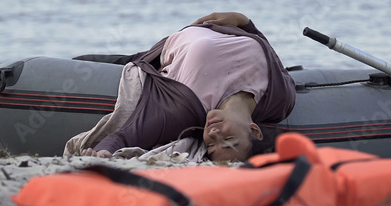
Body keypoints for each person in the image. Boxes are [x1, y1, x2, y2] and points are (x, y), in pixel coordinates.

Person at [73, 12, 296, 162]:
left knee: (80, 60)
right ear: (254, 129)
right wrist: (245, 22)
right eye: (228, 140)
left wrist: (103, 152)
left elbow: (123, 137)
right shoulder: (280, 99)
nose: (214, 134)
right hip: (221, 26)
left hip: (161, 53)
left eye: (209, 146)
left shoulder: (181, 110)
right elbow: (270, 55)